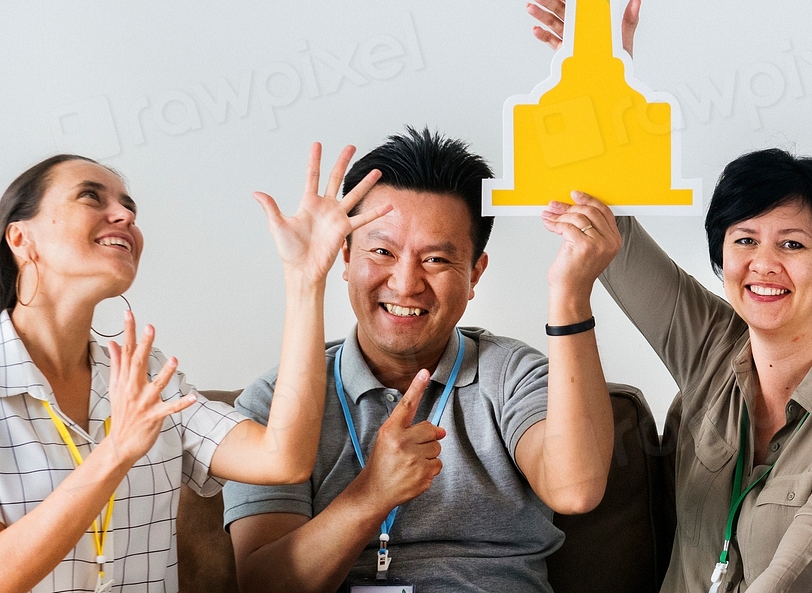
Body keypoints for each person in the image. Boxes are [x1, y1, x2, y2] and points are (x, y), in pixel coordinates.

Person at [531, 0, 812, 593]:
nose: (762, 264)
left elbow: (803, 572)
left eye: (792, 245)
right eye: (744, 240)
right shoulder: (714, 348)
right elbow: (607, 230)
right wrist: (597, 76)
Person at [224, 127, 617, 593]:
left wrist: (570, 294)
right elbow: (264, 585)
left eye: (435, 260)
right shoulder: (275, 401)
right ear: (344, 256)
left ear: (474, 274)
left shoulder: (511, 376)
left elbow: (575, 490)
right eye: (382, 251)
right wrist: (371, 494)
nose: (406, 283)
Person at [0, 144, 386, 593]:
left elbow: (283, 458)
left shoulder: (149, 377)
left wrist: (305, 278)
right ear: (20, 238)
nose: (124, 216)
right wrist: (115, 453)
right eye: (91, 197)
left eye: (129, 207)